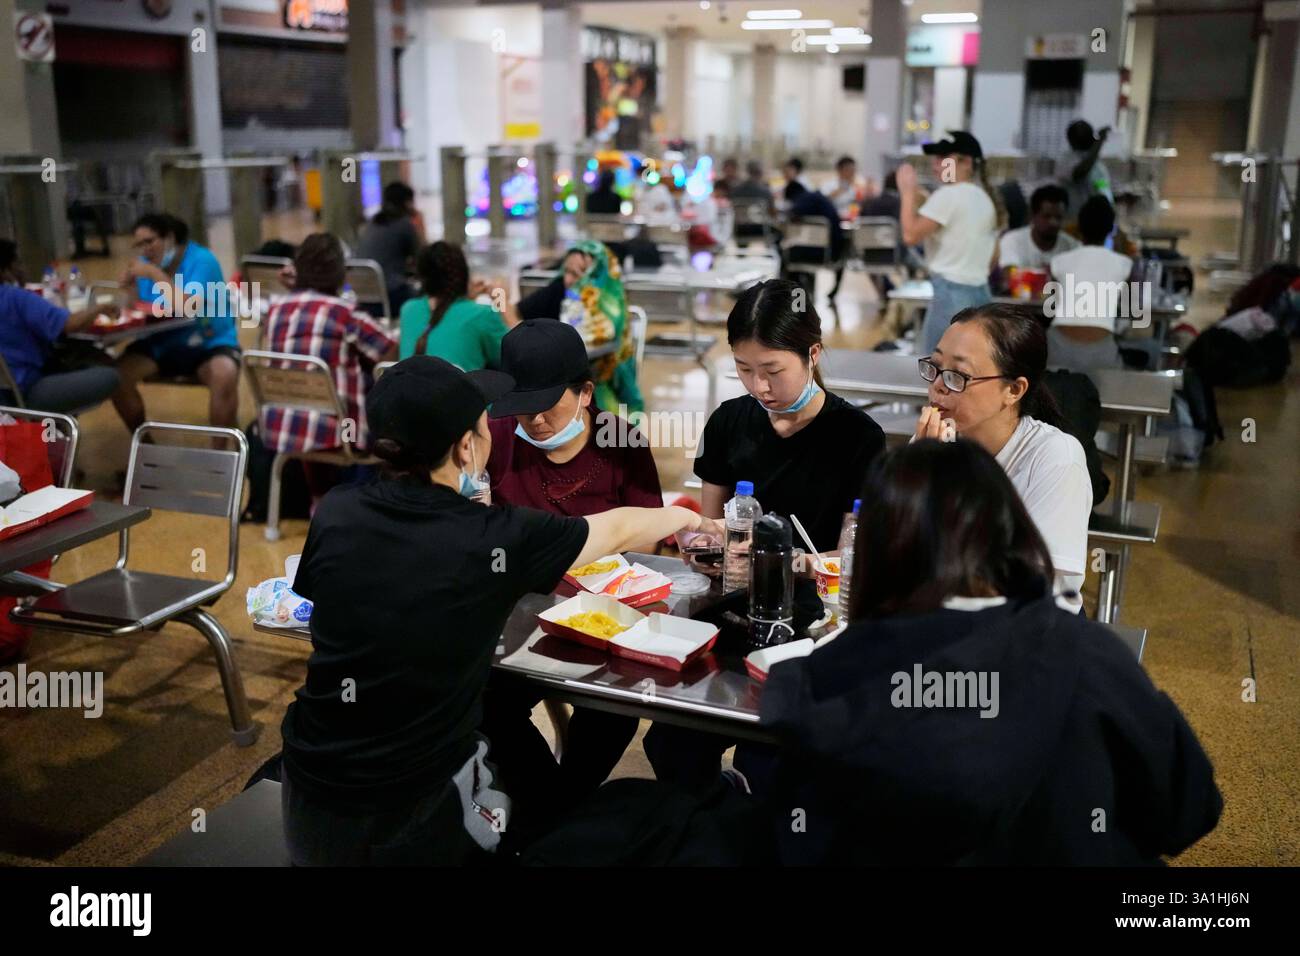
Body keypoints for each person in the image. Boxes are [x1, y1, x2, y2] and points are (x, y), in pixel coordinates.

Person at [279, 354, 721, 865]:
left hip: (306, 798)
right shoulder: (490, 537)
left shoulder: (336, 508)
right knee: (640, 811)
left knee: (506, 733)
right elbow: (617, 529)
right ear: (467, 446)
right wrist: (689, 517)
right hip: (416, 822)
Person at [759, 439, 1222, 865]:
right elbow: (1188, 811)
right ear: (1008, 528)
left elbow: (799, 837)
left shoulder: (830, 675)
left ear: (880, 547)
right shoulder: (1087, 654)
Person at [640, 279, 885, 791]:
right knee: (670, 743)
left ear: (813, 354)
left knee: (770, 754)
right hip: (729, 609)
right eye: (744, 370)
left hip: (808, 623)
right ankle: (702, 826)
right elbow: (710, 527)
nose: (759, 387)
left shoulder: (857, 437)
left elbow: (850, 558)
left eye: (773, 371)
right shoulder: (730, 421)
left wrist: (784, 561)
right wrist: (703, 549)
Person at [480, 319, 663, 804]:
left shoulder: (622, 445)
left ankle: (568, 801)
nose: (534, 421)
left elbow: (647, 549)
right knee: (485, 705)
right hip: (515, 618)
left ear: (584, 393)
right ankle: (549, 806)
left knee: (612, 710)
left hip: (601, 622)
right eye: (521, 409)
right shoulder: (496, 437)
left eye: (546, 406)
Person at [913, 303, 1092, 612]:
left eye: (958, 375)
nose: (938, 386)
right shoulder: (934, 441)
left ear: (1013, 390)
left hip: (1022, 639)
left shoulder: (1056, 458)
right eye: (936, 366)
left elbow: (1039, 593)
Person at [261, 233, 398, 501]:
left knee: (319, 402)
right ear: (340, 272)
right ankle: (370, 505)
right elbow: (389, 353)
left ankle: (319, 502)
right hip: (338, 434)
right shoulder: (344, 314)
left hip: (284, 426)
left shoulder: (275, 310)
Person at [114, 213, 241, 432]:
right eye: (139, 245)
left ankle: (221, 456)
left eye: (150, 241)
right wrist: (131, 291)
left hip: (208, 342)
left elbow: (188, 307)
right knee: (115, 378)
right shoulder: (146, 265)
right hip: (161, 343)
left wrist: (155, 274)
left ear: (170, 238)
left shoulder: (201, 260)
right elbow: (140, 312)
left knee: (225, 373)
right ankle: (144, 448)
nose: (145, 250)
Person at [896, 131, 1002, 354]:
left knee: (937, 368)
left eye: (943, 158)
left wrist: (907, 192)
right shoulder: (985, 199)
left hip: (950, 296)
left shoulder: (948, 195)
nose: (936, 165)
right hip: (981, 294)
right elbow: (993, 258)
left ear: (966, 163)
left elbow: (910, 235)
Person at [510, 239, 642, 414]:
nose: (567, 280)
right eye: (566, 271)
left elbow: (588, 351)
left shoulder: (608, 308)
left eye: (576, 274)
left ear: (595, 276)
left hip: (596, 392)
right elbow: (518, 312)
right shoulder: (559, 289)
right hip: (551, 384)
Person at [0, 239, 120, 412]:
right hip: (25, 393)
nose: (22, 268)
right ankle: (57, 427)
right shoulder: (15, 298)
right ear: (6, 270)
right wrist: (99, 308)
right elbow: (70, 324)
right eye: (18, 263)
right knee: (110, 375)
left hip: (5, 395)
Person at [1046, 196, 1134, 372]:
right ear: (1111, 229)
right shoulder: (1124, 264)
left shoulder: (1058, 261)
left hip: (1058, 346)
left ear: (1078, 227)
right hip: (1101, 349)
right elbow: (1133, 314)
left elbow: (1050, 307)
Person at [399, 241, 513, 368]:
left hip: (411, 387)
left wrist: (467, 298)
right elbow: (512, 356)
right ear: (464, 273)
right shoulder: (482, 314)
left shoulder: (408, 310)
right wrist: (501, 301)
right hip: (461, 388)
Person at [356, 181, 425, 313]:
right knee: (428, 298)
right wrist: (420, 225)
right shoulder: (404, 225)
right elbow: (423, 260)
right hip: (391, 297)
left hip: (364, 298)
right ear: (407, 203)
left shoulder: (372, 223)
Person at [995, 184, 1079, 281]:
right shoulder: (1012, 241)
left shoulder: (1073, 247)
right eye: (1047, 216)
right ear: (1032, 215)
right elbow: (1009, 275)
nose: (1053, 223)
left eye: (1058, 218)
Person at [781, 181, 847, 299]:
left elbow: (791, 216)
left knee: (786, 257)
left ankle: (792, 300)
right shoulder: (818, 198)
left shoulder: (802, 200)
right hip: (832, 252)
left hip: (815, 253)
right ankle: (804, 297)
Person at [1058, 120, 1115, 231]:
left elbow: (1102, 187)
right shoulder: (1066, 160)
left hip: (1099, 224)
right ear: (1072, 140)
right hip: (1074, 224)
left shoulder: (1097, 164)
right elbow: (1080, 173)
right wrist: (1100, 143)